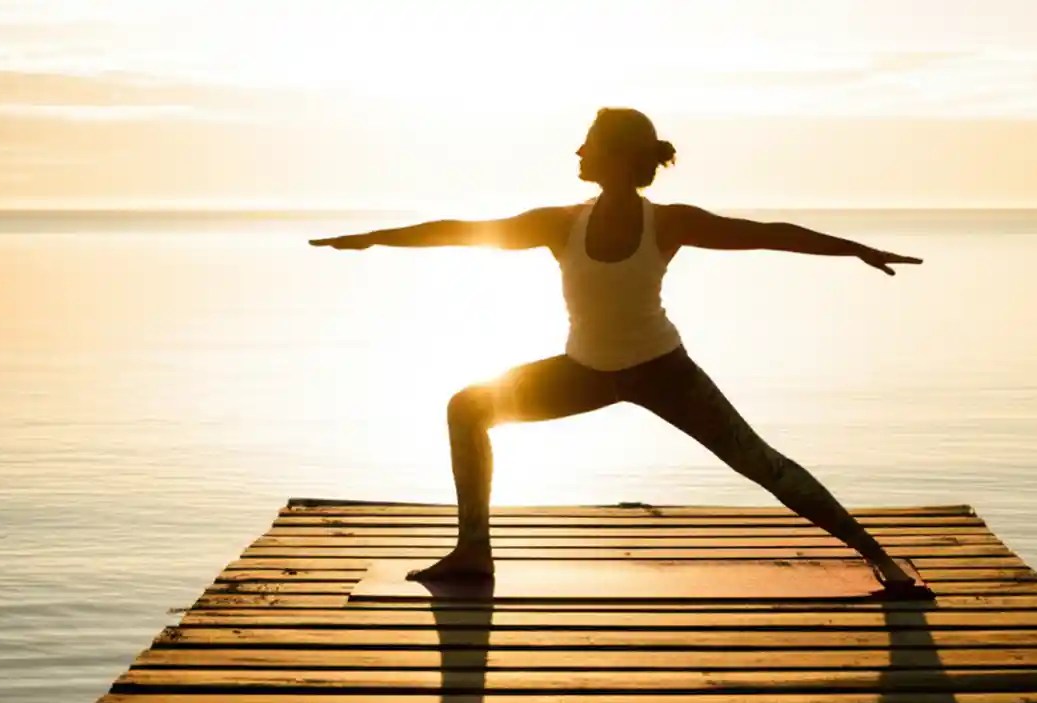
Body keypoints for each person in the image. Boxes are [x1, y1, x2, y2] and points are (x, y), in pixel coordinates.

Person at [310, 108, 929, 598]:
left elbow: (768, 236)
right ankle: (474, 550)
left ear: (616, 156)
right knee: (468, 407)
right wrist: (374, 239)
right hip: (584, 373)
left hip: (664, 372)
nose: (577, 152)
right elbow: (465, 231)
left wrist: (856, 249)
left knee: (760, 463)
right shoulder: (560, 223)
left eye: (588, 143)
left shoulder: (669, 222)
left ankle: (876, 555)